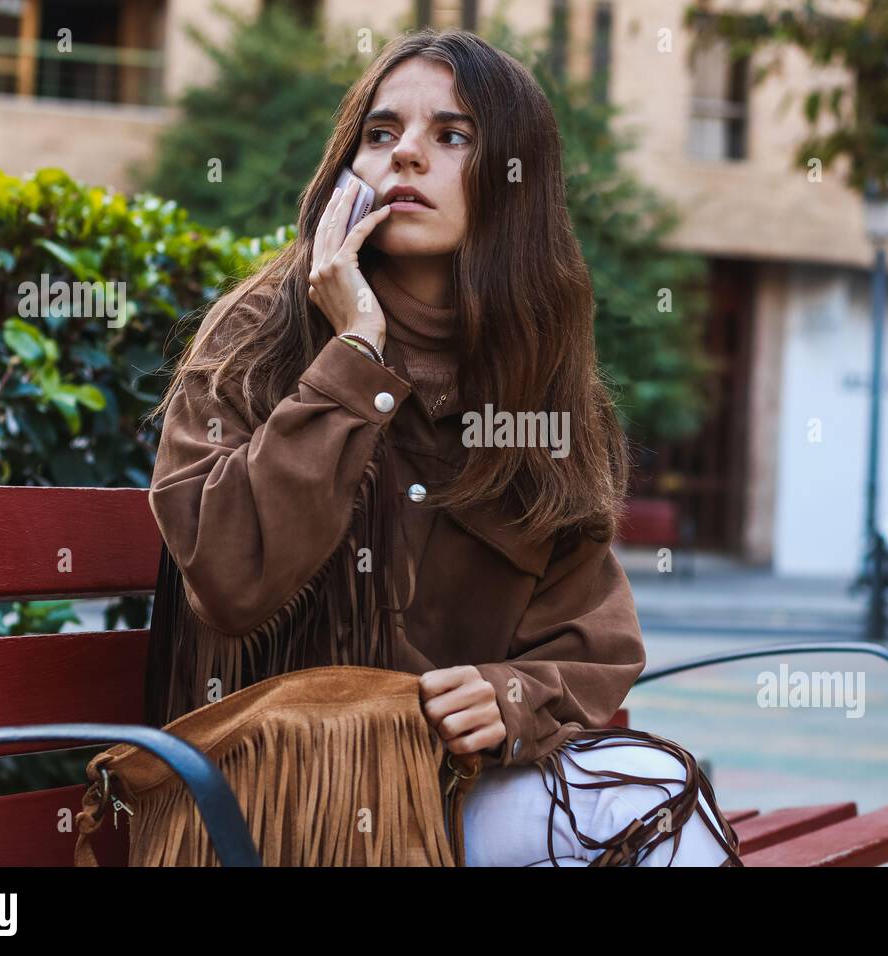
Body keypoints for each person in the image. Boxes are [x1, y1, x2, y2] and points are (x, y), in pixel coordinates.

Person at [142, 27, 740, 867]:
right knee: (659, 810)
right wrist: (353, 354)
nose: (406, 156)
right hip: (264, 798)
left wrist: (510, 696)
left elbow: (592, 642)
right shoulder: (257, 339)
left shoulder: (535, 386)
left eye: (452, 136)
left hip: (443, 790)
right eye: (380, 134)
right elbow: (231, 580)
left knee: (661, 803)